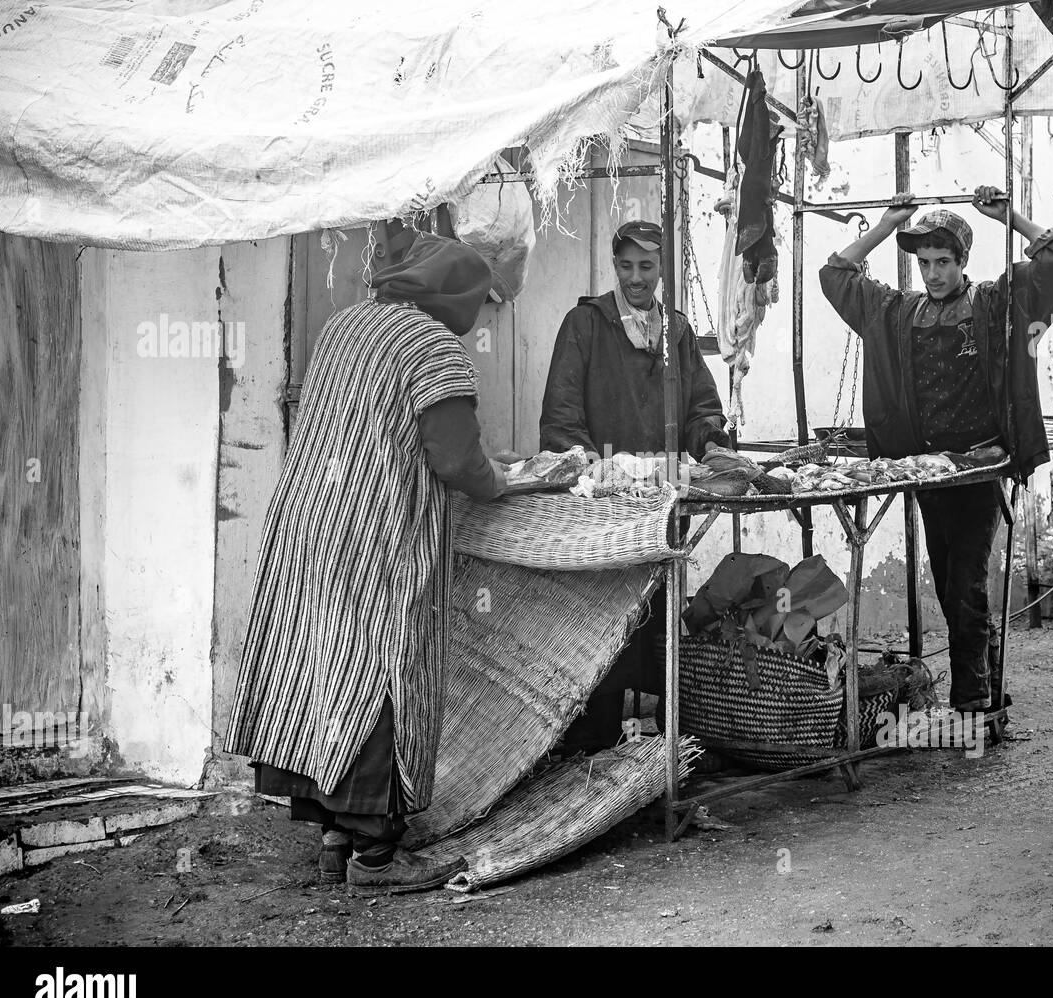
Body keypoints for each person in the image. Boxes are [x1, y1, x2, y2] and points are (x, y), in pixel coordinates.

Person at [225, 234, 508, 893]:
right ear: (456, 297)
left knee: (324, 666)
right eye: (477, 300)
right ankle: (376, 857)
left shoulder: (345, 323)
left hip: (306, 521)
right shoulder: (432, 344)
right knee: (381, 667)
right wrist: (506, 483)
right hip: (371, 530)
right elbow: (456, 459)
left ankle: (333, 840)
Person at [819, 187, 1053, 713]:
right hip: (927, 469)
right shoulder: (897, 312)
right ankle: (984, 689)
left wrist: (1010, 217)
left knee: (965, 583)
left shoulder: (993, 304)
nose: (933, 273)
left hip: (981, 466)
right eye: (924, 263)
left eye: (943, 262)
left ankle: (972, 699)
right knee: (950, 584)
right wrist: (888, 224)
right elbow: (836, 276)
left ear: (963, 261)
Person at [539, 219, 730, 750]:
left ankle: (665, 749)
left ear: (662, 270)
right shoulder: (585, 324)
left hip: (664, 499)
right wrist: (592, 468)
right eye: (626, 266)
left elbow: (700, 405)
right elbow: (560, 416)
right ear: (615, 266)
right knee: (601, 625)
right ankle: (591, 753)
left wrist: (712, 441)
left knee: (659, 619)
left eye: (646, 267)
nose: (635, 277)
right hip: (604, 506)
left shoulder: (678, 331)